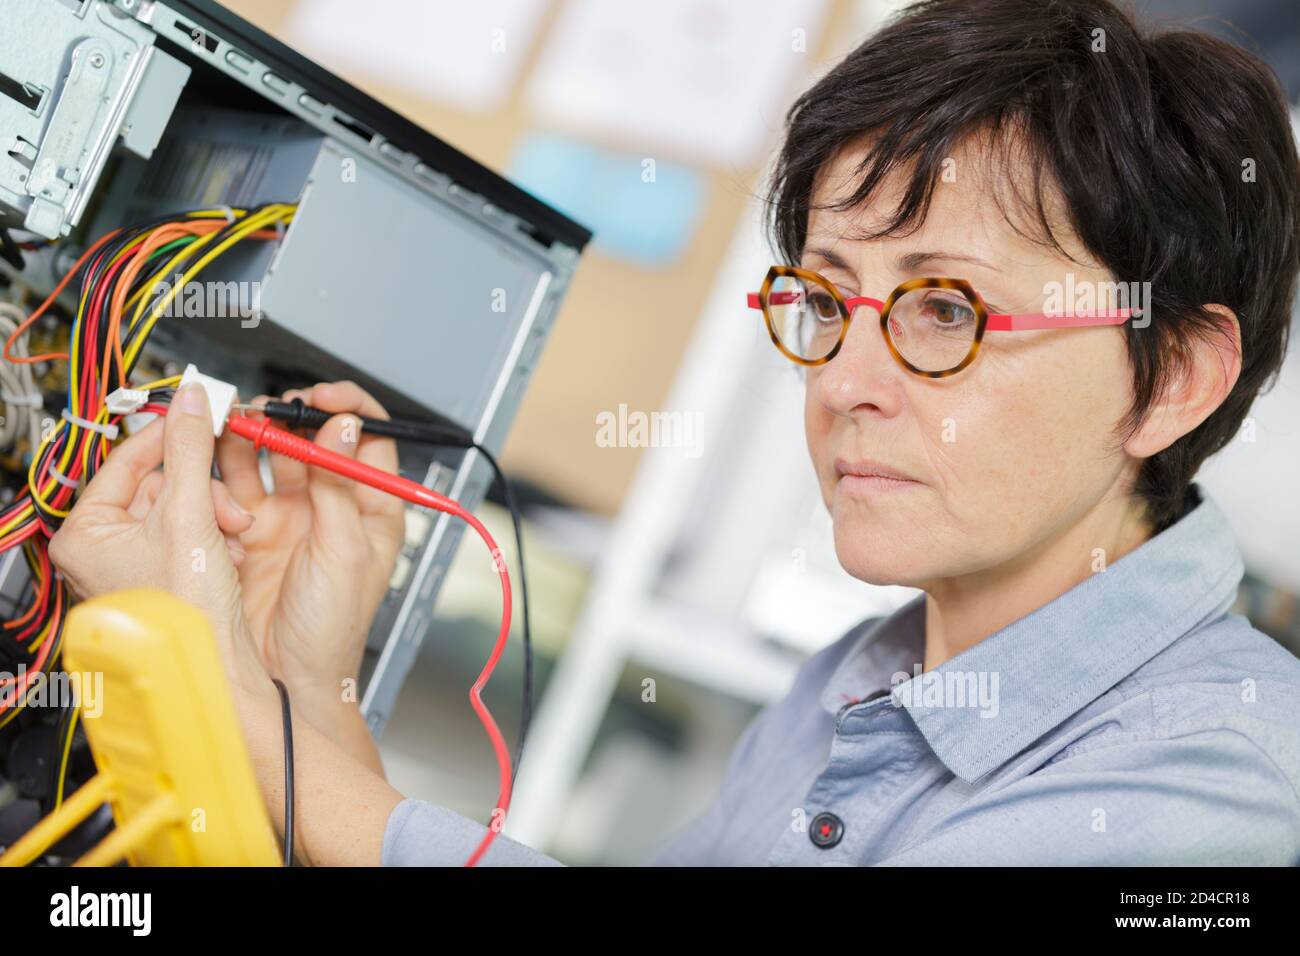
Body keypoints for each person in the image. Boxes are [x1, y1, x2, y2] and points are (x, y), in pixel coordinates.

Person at [50, 0, 1300, 865]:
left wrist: (232, 703)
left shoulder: (1227, 780)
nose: (844, 380)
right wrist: (300, 681)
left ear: (1173, 375)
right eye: (824, 298)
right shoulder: (866, 675)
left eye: (942, 308)